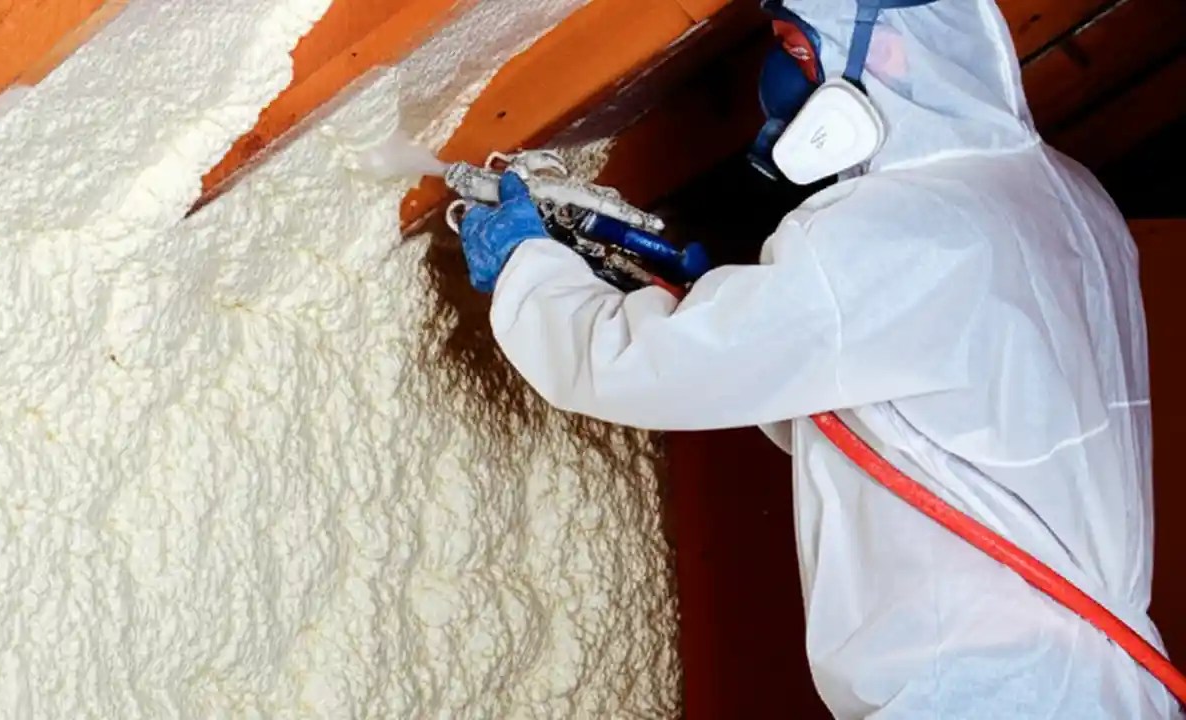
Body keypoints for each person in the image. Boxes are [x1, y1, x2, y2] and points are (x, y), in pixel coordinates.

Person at [456, 0, 1180, 718]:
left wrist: (528, 273)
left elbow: (645, 367)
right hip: (1108, 685)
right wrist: (714, 304)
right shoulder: (1072, 200)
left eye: (794, 51)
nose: (778, 82)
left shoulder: (894, 225)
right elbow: (901, 424)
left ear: (890, 52)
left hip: (978, 692)